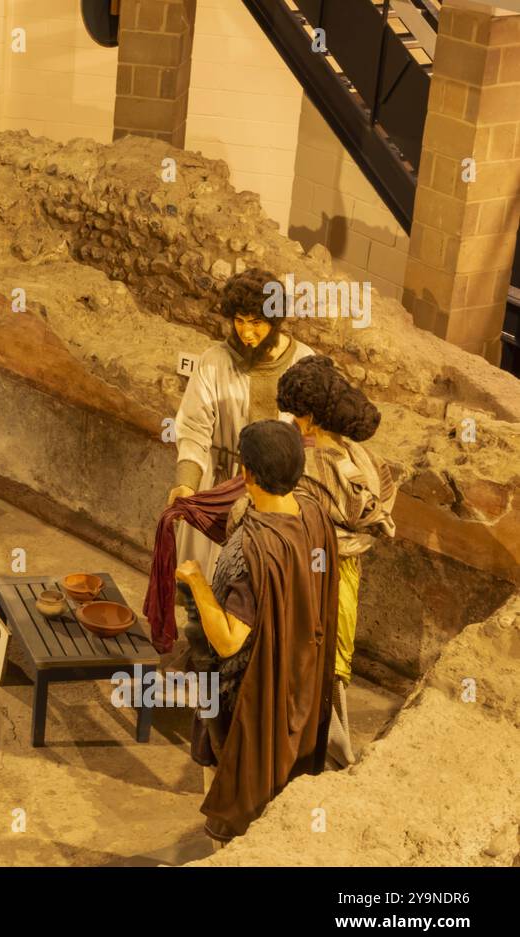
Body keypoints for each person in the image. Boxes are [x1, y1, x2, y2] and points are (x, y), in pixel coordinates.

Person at [176, 420, 339, 845]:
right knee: (281, 796)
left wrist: (195, 580)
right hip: (300, 681)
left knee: (234, 799)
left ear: (246, 474)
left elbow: (229, 639)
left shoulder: (250, 546)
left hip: (246, 695)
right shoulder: (316, 516)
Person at [168, 269, 315, 670]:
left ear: (275, 321)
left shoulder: (304, 364)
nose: (247, 333)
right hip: (222, 485)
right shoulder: (215, 361)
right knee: (205, 581)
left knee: (257, 587)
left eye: (257, 323)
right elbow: (195, 427)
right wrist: (187, 484)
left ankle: (252, 664)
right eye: (240, 321)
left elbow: (314, 435)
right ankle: (201, 654)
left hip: (279, 497)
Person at [276, 355, 396, 766]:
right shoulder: (357, 453)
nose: (292, 421)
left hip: (318, 570)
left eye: (296, 415)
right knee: (330, 658)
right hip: (342, 565)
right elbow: (379, 505)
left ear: (310, 417)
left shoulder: (314, 464)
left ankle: (328, 756)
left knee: (312, 660)